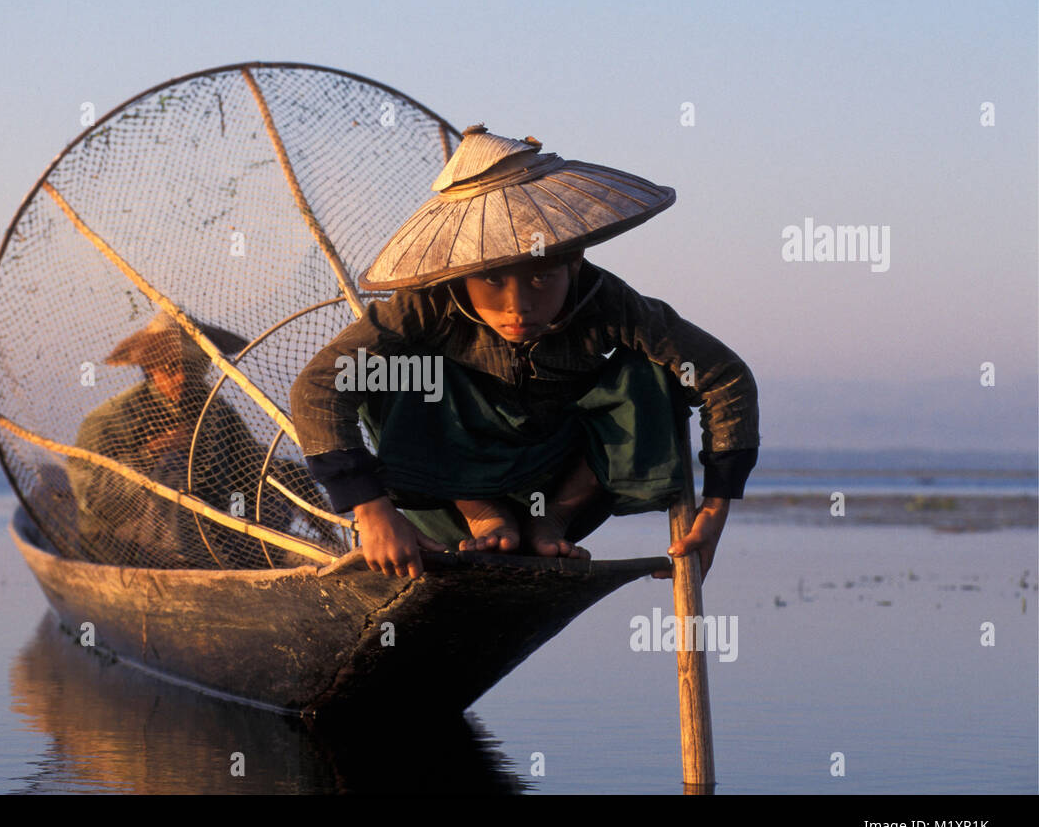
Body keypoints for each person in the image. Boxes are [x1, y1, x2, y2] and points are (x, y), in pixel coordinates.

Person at [290, 125, 760, 580]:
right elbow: (317, 388)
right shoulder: (426, 305)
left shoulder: (608, 303)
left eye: (540, 278)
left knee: (653, 373)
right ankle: (483, 511)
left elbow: (725, 378)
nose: (518, 307)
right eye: (492, 280)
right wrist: (373, 511)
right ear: (460, 274)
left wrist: (714, 513)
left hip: (562, 477)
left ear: (573, 260)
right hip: (445, 484)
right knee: (396, 369)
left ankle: (549, 518)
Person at [69, 312, 326, 569]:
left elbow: (251, 462)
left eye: (191, 366)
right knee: (173, 471)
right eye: (170, 369)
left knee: (288, 478)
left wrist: (296, 480)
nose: (181, 378)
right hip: (127, 538)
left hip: (213, 523)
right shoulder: (110, 420)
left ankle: (338, 548)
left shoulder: (211, 408)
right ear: (150, 370)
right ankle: (217, 569)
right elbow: (92, 496)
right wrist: (149, 456)